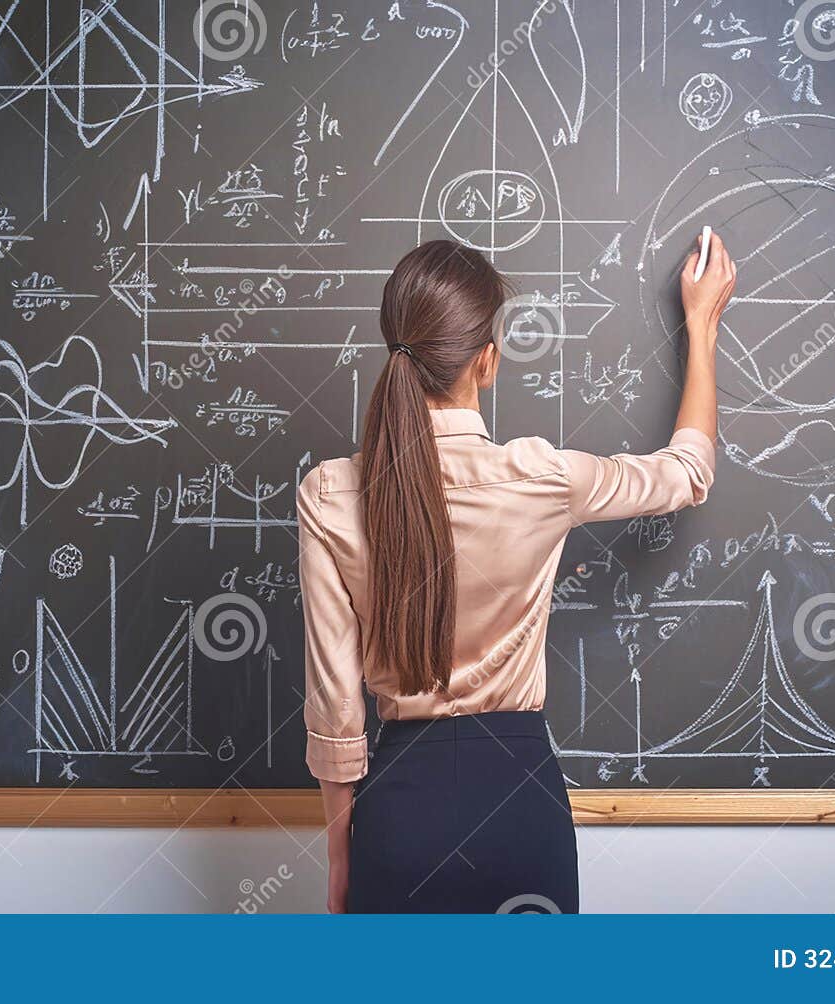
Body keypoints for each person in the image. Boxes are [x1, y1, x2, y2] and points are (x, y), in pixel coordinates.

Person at [296, 234, 736, 913]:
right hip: (517, 807)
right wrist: (701, 326)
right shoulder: (543, 477)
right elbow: (686, 473)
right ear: (488, 362)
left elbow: (335, 705)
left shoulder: (329, 492)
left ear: (398, 352)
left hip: (396, 819)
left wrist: (338, 853)